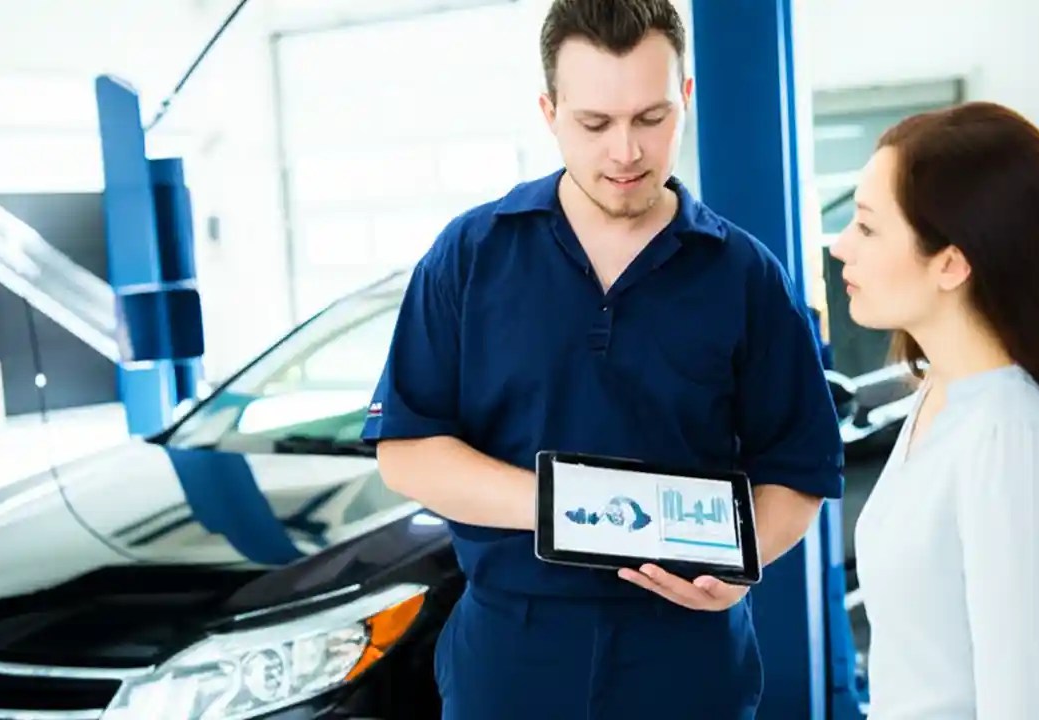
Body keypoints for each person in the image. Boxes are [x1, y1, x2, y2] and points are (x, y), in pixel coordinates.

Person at [361, 1, 844, 718]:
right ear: (549, 111)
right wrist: (571, 510)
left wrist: (746, 563)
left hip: (687, 651)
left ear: (685, 99)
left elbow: (796, 470)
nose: (626, 152)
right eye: (594, 124)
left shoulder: (746, 275)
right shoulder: (470, 256)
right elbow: (407, 450)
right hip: (511, 650)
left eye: (651, 119)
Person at [831, 101, 1039, 720]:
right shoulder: (941, 396)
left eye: (867, 227)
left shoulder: (1013, 441)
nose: (842, 247)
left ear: (951, 262)